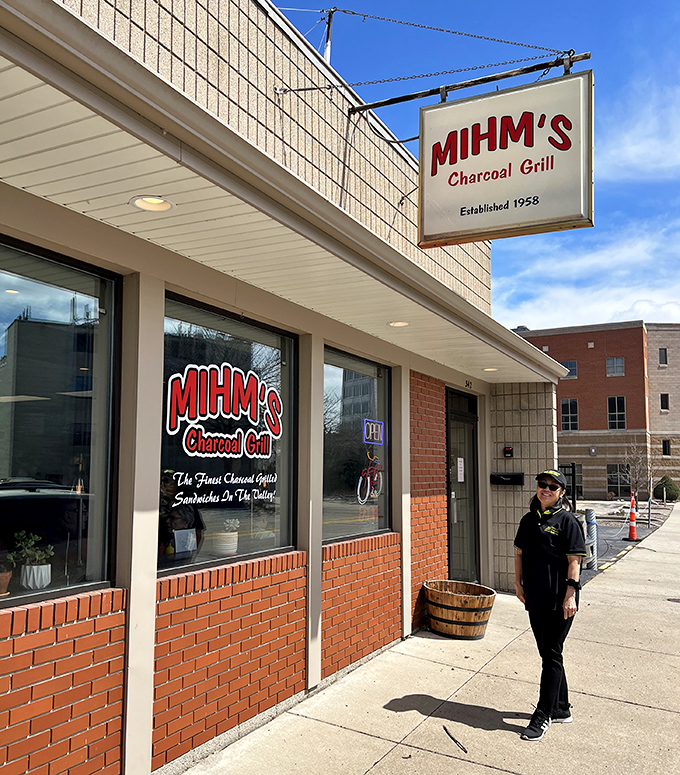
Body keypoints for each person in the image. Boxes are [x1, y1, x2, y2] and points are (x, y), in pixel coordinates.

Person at [514, 469, 586, 741]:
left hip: (560, 599)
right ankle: (562, 708)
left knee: (552, 653)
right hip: (535, 597)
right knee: (548, 653)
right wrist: (518, 584)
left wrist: (571, 594)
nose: (546, 489)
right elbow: (519, 554)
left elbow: (574, 562)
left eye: (552, 487)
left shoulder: (568, 521)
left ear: (561, 493)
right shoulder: (528, 520)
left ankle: (543, 714)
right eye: (542, 484)